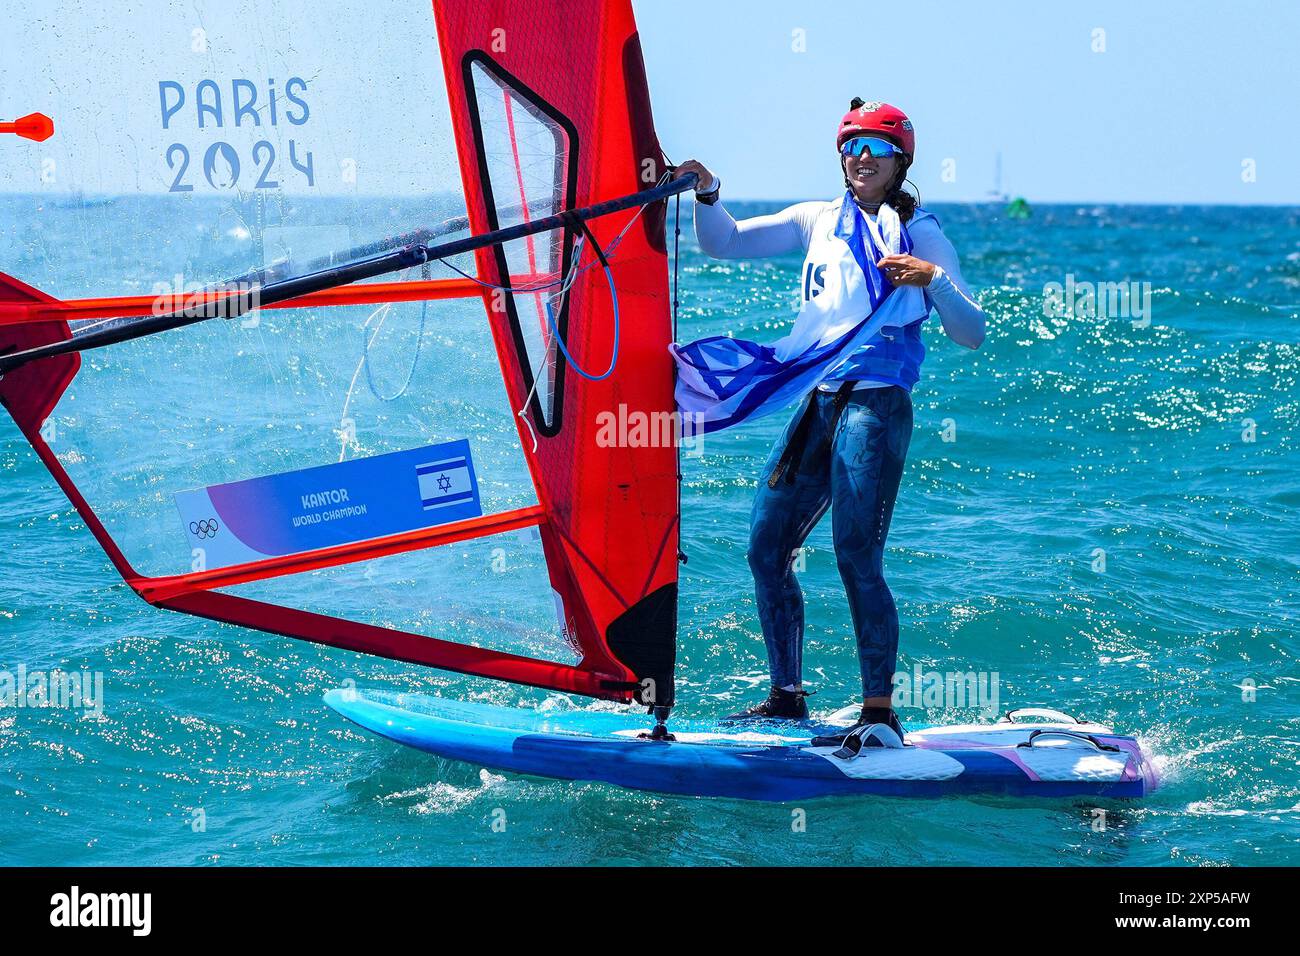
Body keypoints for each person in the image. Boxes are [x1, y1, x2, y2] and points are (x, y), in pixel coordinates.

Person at [672, 99, 987, 742]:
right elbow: (726, 244)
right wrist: (708, 193)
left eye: (877, 146)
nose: (862, 156)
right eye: (852, 145)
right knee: (766, 546)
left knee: (855, 555)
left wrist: (933, 281)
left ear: (902, 159)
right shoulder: (818, 220)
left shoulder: (918, 232)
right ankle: (787, 696)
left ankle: (878, 714)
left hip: (876, 403)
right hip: (820, 401)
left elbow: (972, 332)